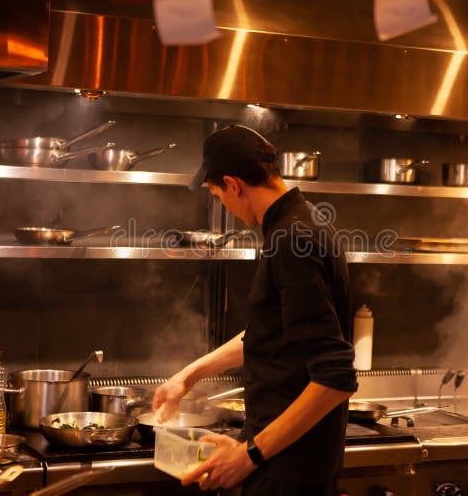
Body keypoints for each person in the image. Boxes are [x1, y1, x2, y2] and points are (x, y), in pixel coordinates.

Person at [152, 125, 358, 495]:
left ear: (233, 185)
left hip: (291, 472)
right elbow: (271, 332)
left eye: (217, 195)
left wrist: (249, 455)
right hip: (285, 460)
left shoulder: (292, 239)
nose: (224, 206)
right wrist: (189, 376)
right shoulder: (300, 222)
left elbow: (334, 378)